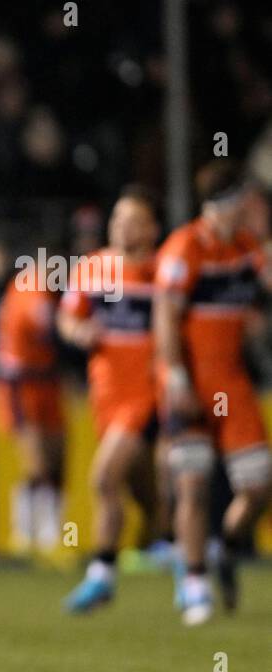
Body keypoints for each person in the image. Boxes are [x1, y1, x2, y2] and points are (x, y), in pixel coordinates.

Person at [154, 161, 272, 624]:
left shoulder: (246, 248)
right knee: (193, 482)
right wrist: (176, 377)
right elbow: (165, 316)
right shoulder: (185, 247)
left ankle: (223, 547)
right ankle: (195, 580)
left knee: (258, 485)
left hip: (233, 381)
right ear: (227, 203)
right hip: (190, 382)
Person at [60, 187, 161, 611]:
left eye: (133, 221)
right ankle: (180, 548)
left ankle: (102, 574)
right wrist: (78, 332)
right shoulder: (92, 268)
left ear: (152, 229)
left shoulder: (164, 272)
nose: (123, 229)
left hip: (147, 395)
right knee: (143, 492)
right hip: (107, 396)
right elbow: (68, 316)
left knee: (104, 478)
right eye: (118, 220)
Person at [0, 254, 64, 554]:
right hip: (21, 383)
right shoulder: (31, 290)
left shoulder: (30, 289)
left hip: (45, 381)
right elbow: (49, 332)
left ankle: (49, 534)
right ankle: (28, 533)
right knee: (37, 462)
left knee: (55, 458)